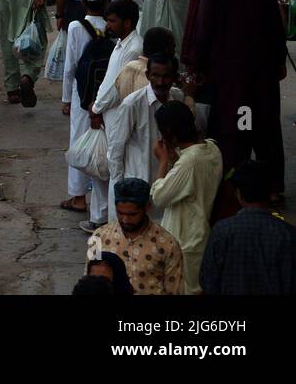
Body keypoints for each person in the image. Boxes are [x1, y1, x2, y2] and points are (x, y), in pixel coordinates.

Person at [186, 0, 288, 203]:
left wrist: (198, 66)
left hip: (233, 79)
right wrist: (279, 61)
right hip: (262, 75)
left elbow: (203, 33)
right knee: (266, 128)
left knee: (240, 128)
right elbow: (276, 28)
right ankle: (273, 186)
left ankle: (237, 183)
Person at [150, 101, 222, 294]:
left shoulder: (190, 161)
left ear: (169, 134)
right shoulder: (212, 148)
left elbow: (159, 196)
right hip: (198, 233)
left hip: (185, 240)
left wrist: (163, 161)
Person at [106, 53, 186, 217]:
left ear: (174, 77)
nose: (160, 82)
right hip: (139, 182)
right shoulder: (132, 104)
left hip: (167, 183)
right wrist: (119, 185)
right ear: (148, 75)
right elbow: (116, 148)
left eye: (166, 77)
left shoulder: (178, 97)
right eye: (155, 75)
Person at [60, 0, 112, 222]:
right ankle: (101, 199)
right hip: (106, 96)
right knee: (104, 143)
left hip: (83, 96)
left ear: (83, 2)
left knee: (79, 142)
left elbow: (70, 66)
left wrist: (65, 98)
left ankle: (78, 196)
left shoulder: (75, 27)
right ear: (106, 2)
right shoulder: (113, 26)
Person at [200, 161, 296, 295]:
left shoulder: (222, 231)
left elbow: (208, 281)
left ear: (238, 194)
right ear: (269, 194)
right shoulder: (288, 234)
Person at [92, 177, 185, 295]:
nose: (125, 220)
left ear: (147, 207)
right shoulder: (98, 237)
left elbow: (174, 290)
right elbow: (89, 285)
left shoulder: (168, 244)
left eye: (132, 214)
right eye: (120, 213)